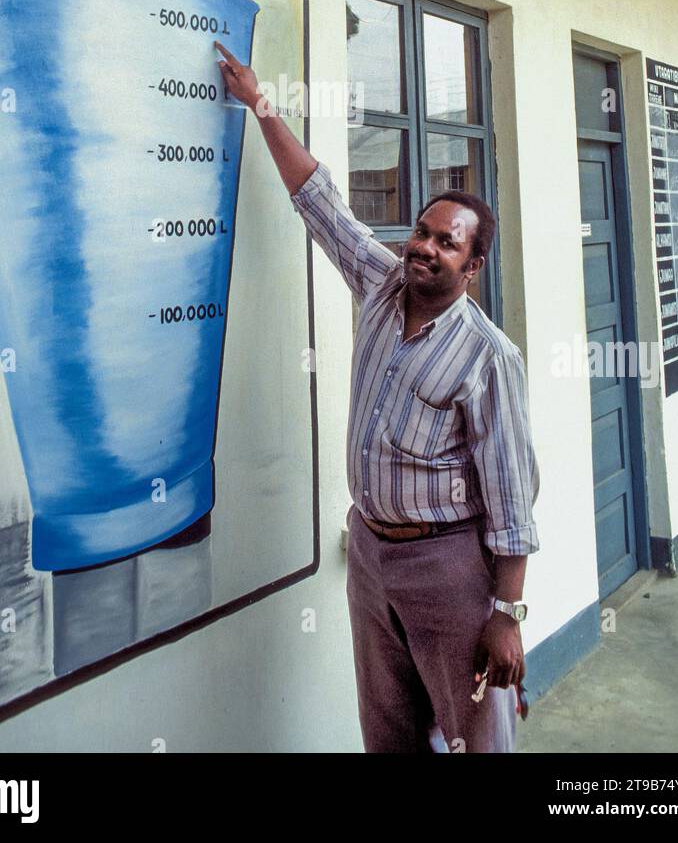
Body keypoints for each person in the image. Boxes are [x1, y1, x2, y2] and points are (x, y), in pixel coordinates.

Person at [215, 40, 540, 754]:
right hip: (370, 553)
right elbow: (318, 200)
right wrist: (259, 103)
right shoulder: (379, 283)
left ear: (472, 266)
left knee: (475, 738)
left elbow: (512, 502)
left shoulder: (489, 357)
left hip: (447, 567)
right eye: (421, 232)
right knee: (387, 729)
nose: (424, 247)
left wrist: (505, 612)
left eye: (446, 243)